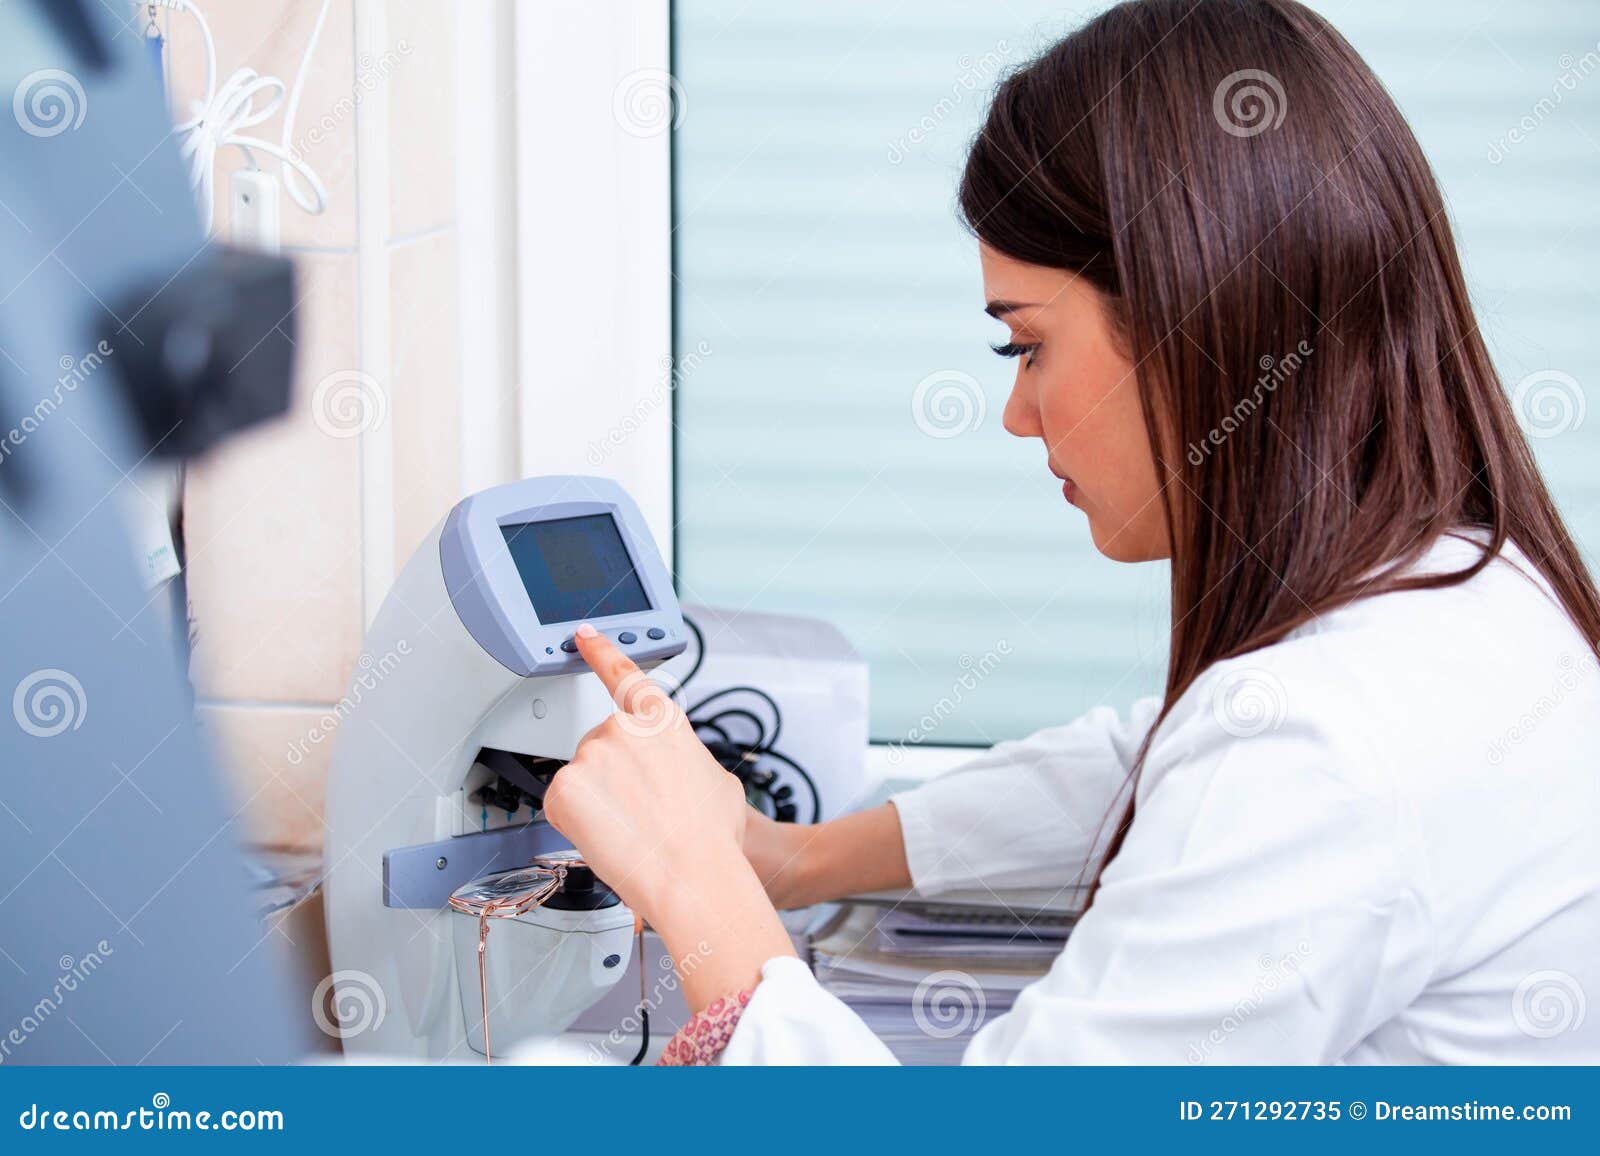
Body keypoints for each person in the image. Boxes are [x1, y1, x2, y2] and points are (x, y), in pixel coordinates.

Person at [541, 0, 1600, 1064]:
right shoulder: (1470, 591)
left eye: (1025, 347)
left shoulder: (1318, 749)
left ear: (1198, 315)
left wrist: (698, 888)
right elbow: (1134, 761)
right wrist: (791, 861)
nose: (1018, 412)